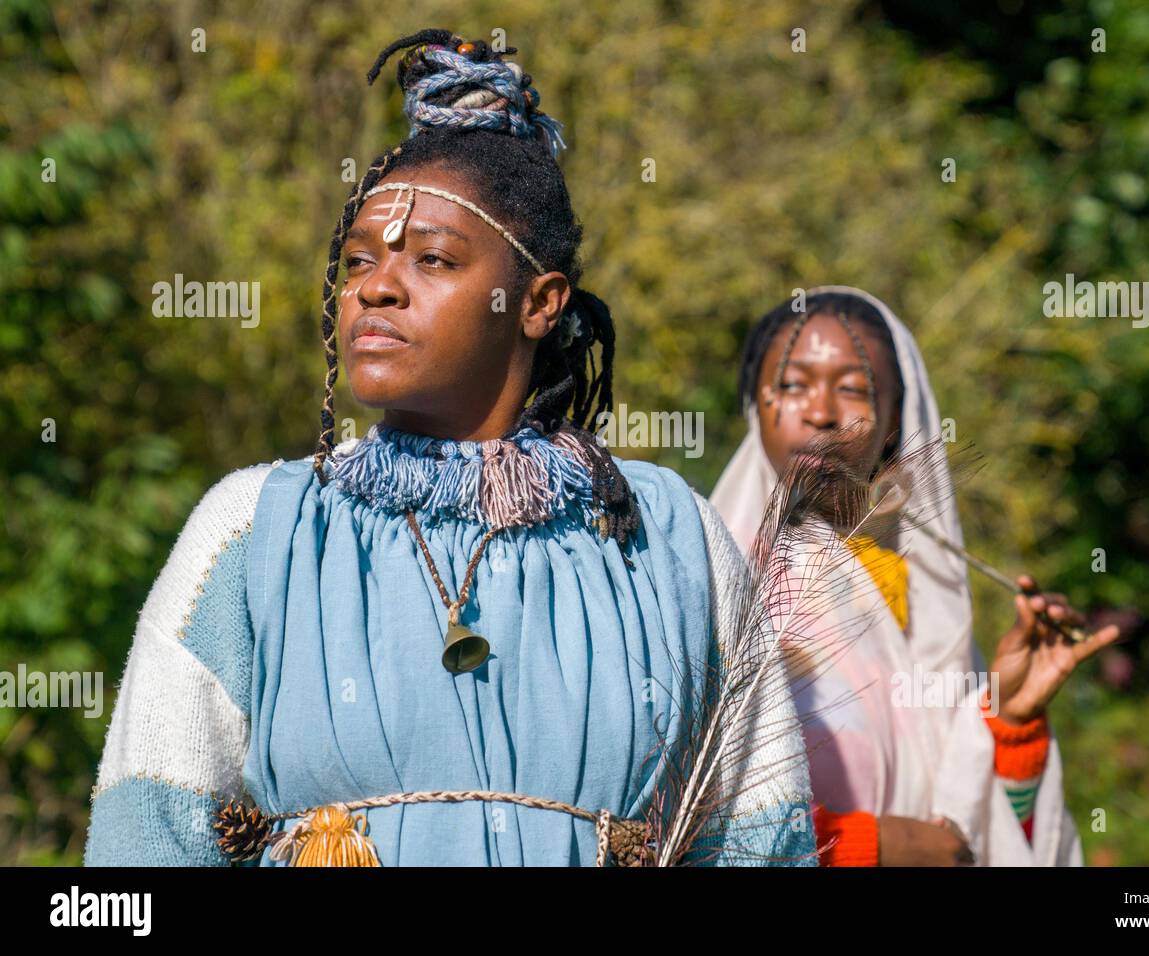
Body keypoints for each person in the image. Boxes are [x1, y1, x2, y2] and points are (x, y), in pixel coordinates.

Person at [84, 29, 815, 867]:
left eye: (433, 259)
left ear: (538, 302)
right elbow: (145, 840)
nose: (376, 286)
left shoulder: (669, 540)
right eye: (358, 261)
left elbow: (766, 838)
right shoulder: (257, 532)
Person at [711, 285, 1121, 865]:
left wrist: (1009, 722)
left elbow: (979, 838)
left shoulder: (920, 604)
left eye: (853, 388)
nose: (822, 411)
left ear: (898, 418)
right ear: (757, 405)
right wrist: (868, 847)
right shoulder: (705, 584)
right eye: (793, 384)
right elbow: (676, 821)